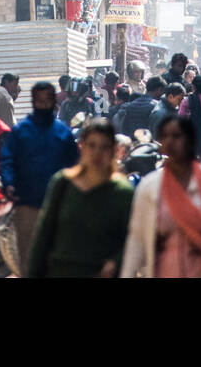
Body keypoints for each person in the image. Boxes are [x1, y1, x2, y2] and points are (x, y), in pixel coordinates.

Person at [120, 115, 201, 277]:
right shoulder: (150, 187)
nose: (170, 142)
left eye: (176, 136)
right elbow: (136, 240)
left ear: (190, 141)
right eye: (165, 136)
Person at [26, 119, 135, 277]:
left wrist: (114, 263)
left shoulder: (123, 192)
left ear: (113, 150)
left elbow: (132, 241)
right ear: (82, 146)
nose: (97, 153)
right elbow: (43, 236)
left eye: (104, 147)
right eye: (92, 145)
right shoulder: (63, 183)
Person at [0, 81, 80, 275]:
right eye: (39, 100)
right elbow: (7, 159)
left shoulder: (64, 133)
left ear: (53, 102)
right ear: (33, 102)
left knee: (57, 258)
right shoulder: (20, 131)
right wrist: (9, 183)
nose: (43, 104)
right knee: (28, 258)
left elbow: (76, 166)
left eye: (47, 100)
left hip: (58, 207)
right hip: (27, 205)